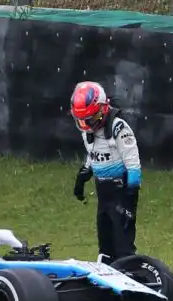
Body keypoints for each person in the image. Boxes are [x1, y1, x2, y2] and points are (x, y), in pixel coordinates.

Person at [69, 80, 142, 265]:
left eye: (89, 119)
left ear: (101, 110)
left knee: (123, 246)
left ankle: (131, 277)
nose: (86, 124)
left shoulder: (119, 128)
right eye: (81, 120)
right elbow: (93, 154)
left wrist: (129, 200)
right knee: (105, 245)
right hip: (103, 195)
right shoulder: (87, 131)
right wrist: (84, 174)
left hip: (121, 193)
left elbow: (133, 165)